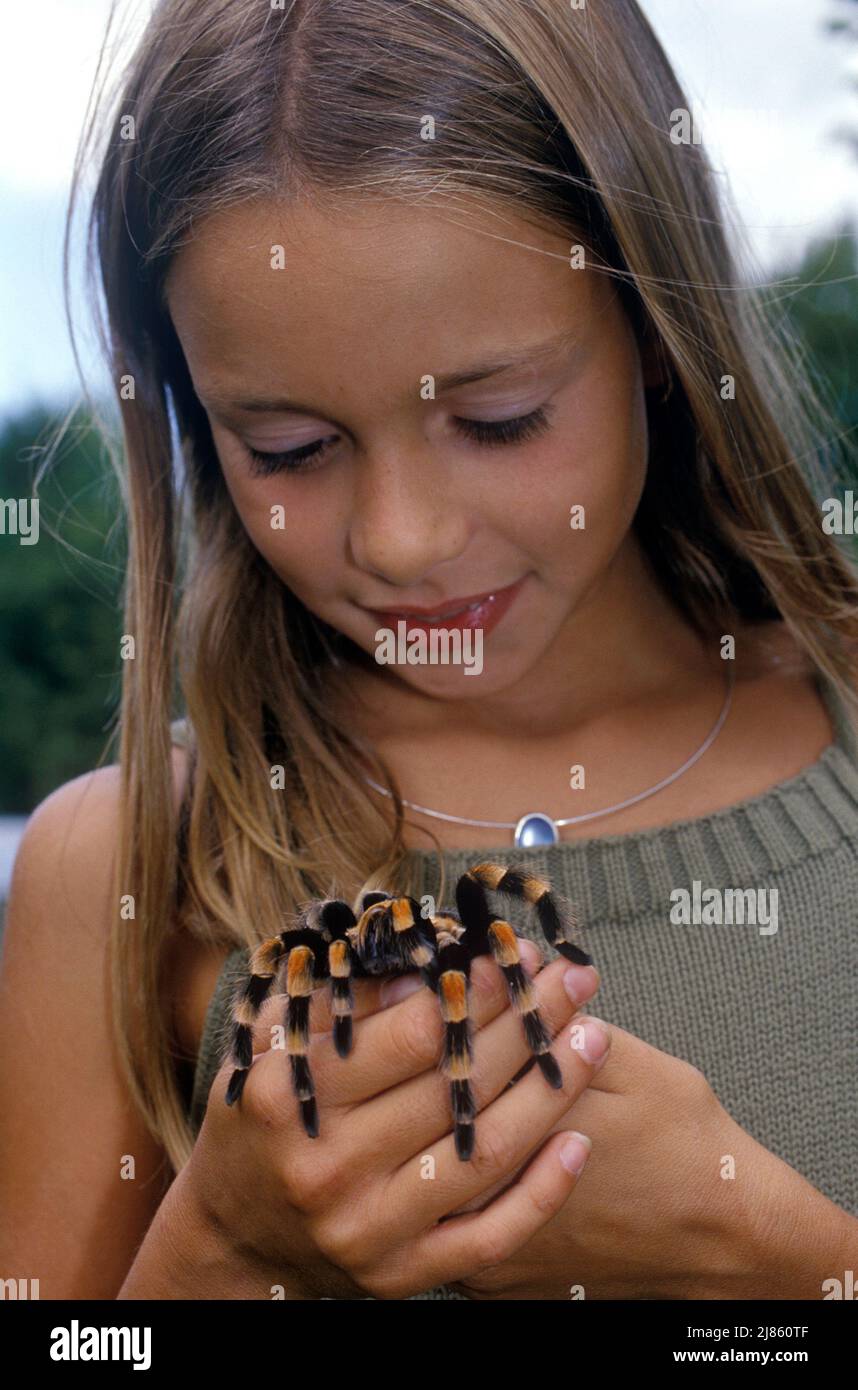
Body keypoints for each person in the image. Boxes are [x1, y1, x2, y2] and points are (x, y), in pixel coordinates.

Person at [2, 0, 857, 1301]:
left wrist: (763, 1253)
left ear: (659, 335)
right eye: (288, 449)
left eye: (500, 419)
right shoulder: (126, 868)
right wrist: (226, 1242)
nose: (402, 542)